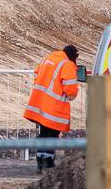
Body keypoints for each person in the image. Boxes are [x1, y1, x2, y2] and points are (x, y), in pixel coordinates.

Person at [23, 44, 79, 173]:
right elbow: (70, 89)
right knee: (52, 135)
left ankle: (40, 161)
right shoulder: (67, 64)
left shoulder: (48, 58)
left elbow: (37, 74)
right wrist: (71, 95)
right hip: (54, 107)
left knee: (43, 133)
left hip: (40, 103)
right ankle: (48, 162)